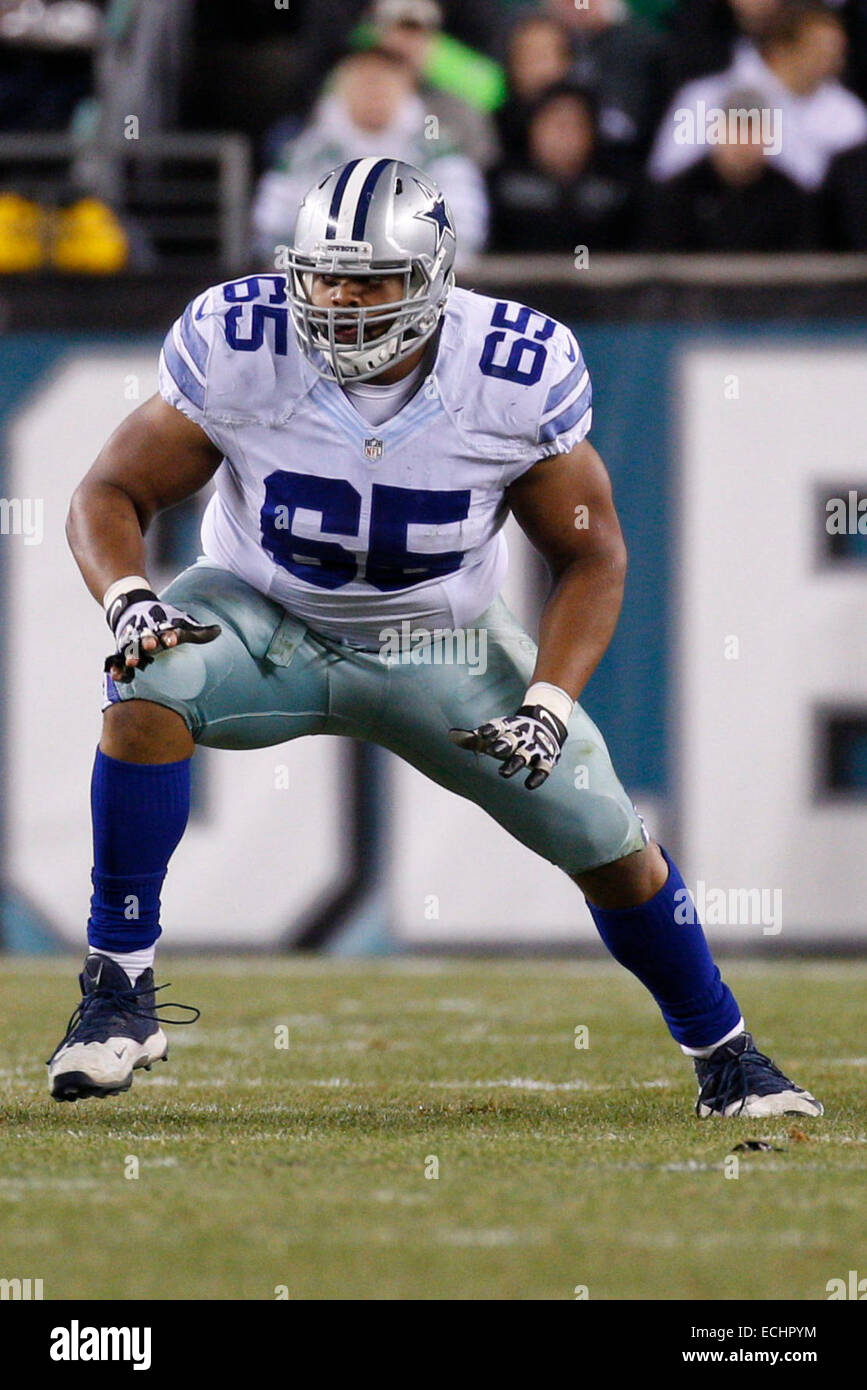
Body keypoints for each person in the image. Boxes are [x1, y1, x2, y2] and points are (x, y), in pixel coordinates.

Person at [51, 156, 822, 1121]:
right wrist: (129, 597)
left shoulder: (510, 371)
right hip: (262, 618)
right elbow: (108, 491)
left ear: (434, 278)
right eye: (325, 274)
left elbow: (592, 557)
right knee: (144, 679)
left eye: (371, 278)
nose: (341, 301)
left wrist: (547, 701)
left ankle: (725, 1055)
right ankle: (118, 991)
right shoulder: (241, 340)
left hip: (441, 646)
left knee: (608, 841)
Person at [251, 48, 488, 266]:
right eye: (364, 83)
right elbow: (272, 227)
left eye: (384, 84)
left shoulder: (437, 151)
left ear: (406, 89)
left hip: (417, 280)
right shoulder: (305, 153)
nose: (374, 93)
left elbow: (464, 227)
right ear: (341, 89)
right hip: (325, 282)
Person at [649, 0, 867, 192]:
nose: (830, 62)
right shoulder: (709, 98)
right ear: (781, 47)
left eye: (835, 53)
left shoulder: (849, 113)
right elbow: (667, 174)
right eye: (819, 51)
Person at [643, 88, 819, 248]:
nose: (743, 142)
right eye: (735, 129)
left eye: (753, 131)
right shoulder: (680, 193)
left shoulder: (788, 197)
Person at [490, 84, 635, 251]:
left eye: (574, 125)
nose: (563, 136)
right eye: (555, 125)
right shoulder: (501, 185)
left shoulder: (618, 190)